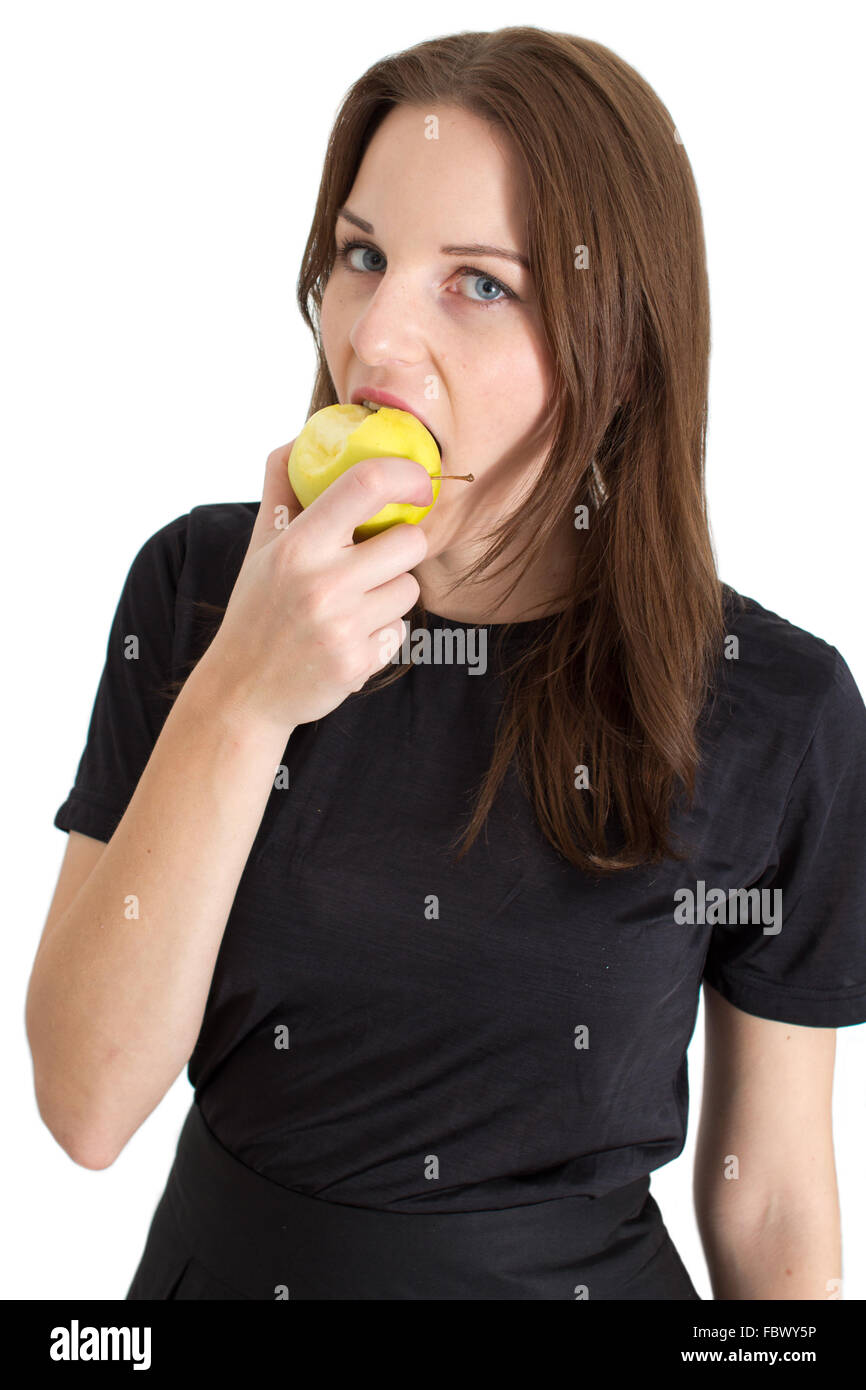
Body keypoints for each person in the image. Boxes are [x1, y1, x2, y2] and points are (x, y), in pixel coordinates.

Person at [27, 27, 866, 1301]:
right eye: (362, 257)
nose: (371, 345)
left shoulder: (775, 707)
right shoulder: (198, 590)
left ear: (620, 346)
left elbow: (776, 1208)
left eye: (477, 283)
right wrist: (242, 697)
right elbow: (84, 1107)